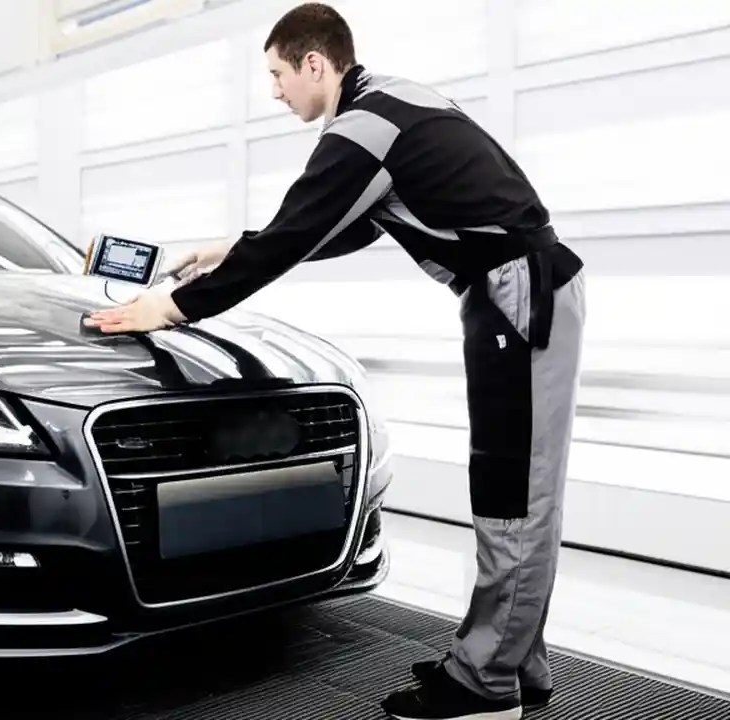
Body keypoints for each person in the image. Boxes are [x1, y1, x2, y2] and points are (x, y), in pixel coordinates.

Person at [84, 3, 586, 719]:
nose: (275, 91)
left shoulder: (362, 127)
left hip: (518, 293)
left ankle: (485, 684)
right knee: (515, 485)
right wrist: (230, 250)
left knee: (512, 491)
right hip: (514, 288)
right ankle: (513, 662)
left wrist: (170, 308)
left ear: (314, 63)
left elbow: (300, 231)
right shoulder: (391, 100)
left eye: (277, 75)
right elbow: (344, 225)